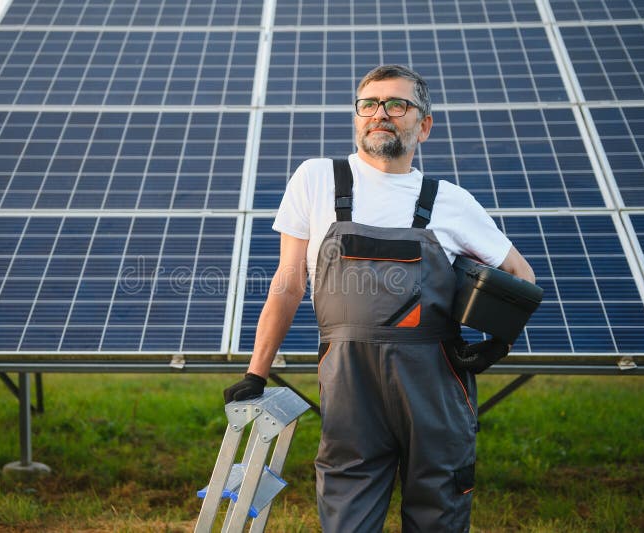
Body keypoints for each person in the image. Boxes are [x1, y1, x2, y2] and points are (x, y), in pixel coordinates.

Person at [224, 64, 535, 532]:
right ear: (356, 118)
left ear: (423, 125)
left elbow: (519, 274)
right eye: (368, 104)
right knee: (346, 516)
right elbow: (288, 283)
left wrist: (500, 342)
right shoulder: (316, 178)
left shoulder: (450, 200)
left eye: (397, 104)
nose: (380, 114)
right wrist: (256, 373)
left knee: (440, 513)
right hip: (350, 386)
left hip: (435, 385)